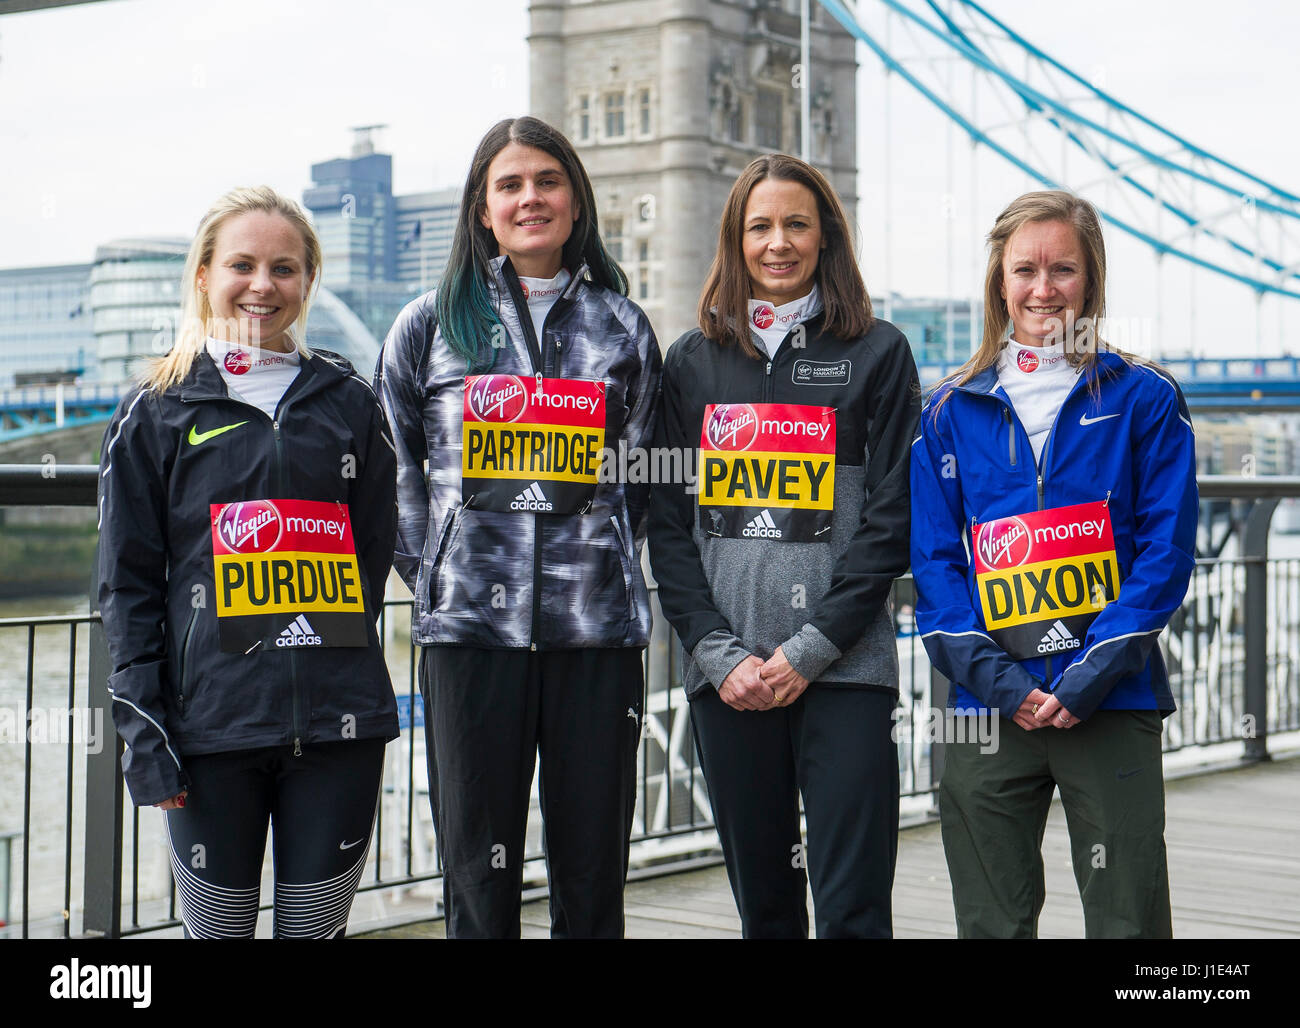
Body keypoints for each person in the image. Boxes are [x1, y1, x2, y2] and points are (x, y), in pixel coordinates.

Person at [374, 116, 662, 939]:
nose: (529, 197)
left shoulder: (623, 329)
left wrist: (593, 562)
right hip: (470, 638)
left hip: (594, 640)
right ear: (482, 208)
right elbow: (398, 475)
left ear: (575, 201)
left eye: (547, 180)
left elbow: (641, 478)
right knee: (476, 872)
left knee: (593, 869)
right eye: (509, 184)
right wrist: (437, 574)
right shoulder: (427, 326)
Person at [96, 186, 398, 939]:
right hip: (211, 738)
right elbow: (125, 586)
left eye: (285, 268)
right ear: (203, 275)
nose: (263, 285)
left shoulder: (352, 402)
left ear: (307, 281)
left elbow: (371, 555)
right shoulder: (153, 410)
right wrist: (145, 732)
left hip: (338, 732)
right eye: (242, 264)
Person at [910, 190, 1198, 938]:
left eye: (1063, 269)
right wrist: (1005, 685)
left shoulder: (1147, 398)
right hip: (987, 707)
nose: (1043, 289)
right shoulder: (944, 411)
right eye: (1025, 269)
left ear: (1091, 280)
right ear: (999, 282)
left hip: (1112, 697)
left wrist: (1086, 677)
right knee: (991, 923)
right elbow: (936, 569)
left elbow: (1165, 553)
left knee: (1128, 922)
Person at [648, 153, 920, 938]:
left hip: (845, 673)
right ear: (734, 240)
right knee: (765, 909)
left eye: (796, 223)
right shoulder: (691, 362)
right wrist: (714, 653)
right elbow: (668, 525)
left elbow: (890, 519)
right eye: (758, 226)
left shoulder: (878, 352)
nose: (778, 242)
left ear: (825, 236)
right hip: (729, 681)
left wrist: (812, 648)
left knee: (854, 909)